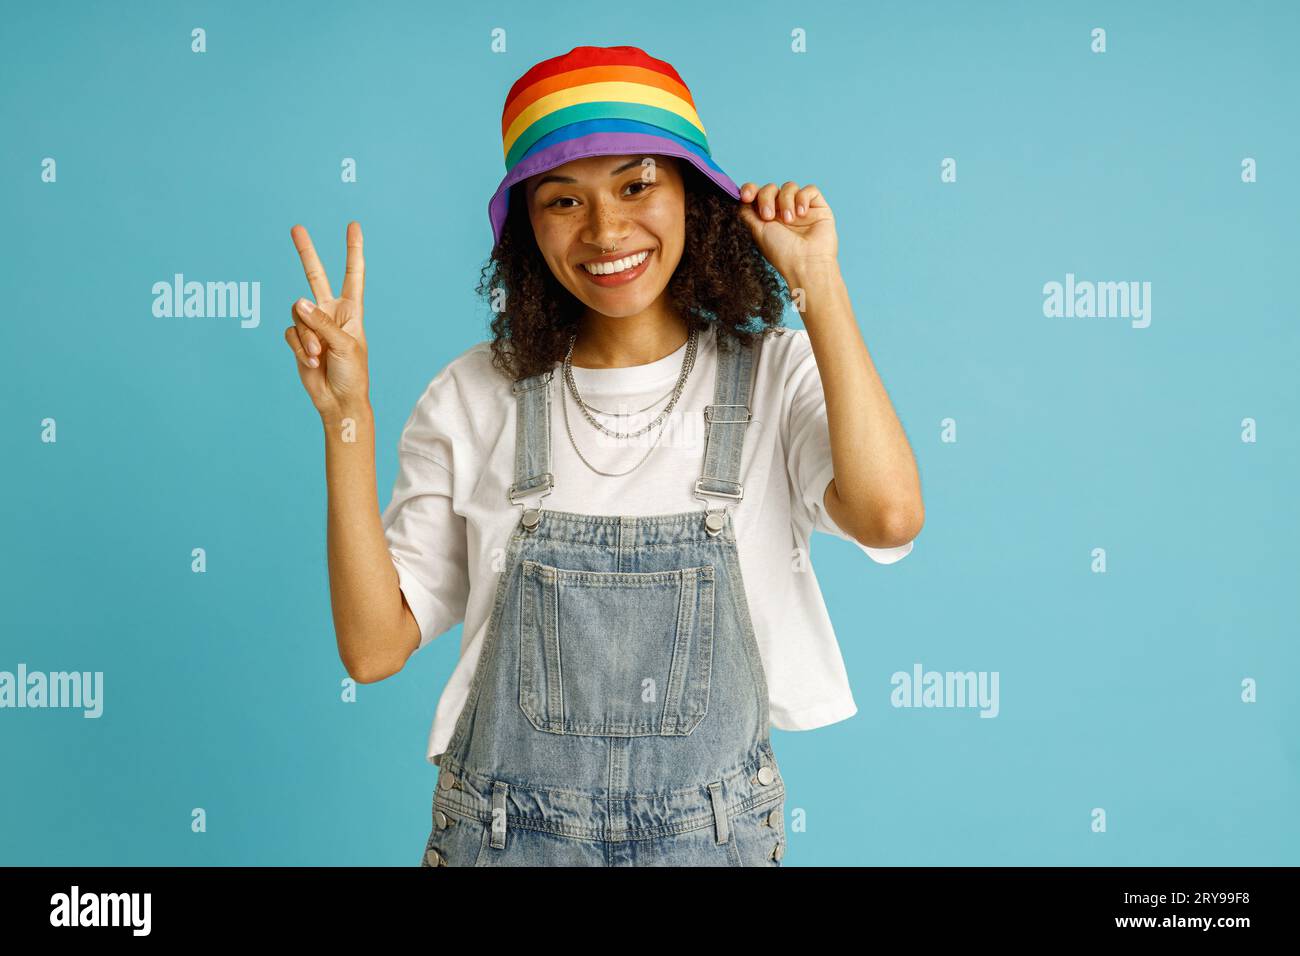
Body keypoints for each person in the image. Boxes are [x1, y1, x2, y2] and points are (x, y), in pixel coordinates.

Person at [283, 44, 923, 866]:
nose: (606, 230)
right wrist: (348, 420)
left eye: (636, 184)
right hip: (505, 844)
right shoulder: (472, 395)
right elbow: (373, 651)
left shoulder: (775, 374)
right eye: (563, 200)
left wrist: (817, 281)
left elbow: (889, 514)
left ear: (693, 194)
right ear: (527, 229)